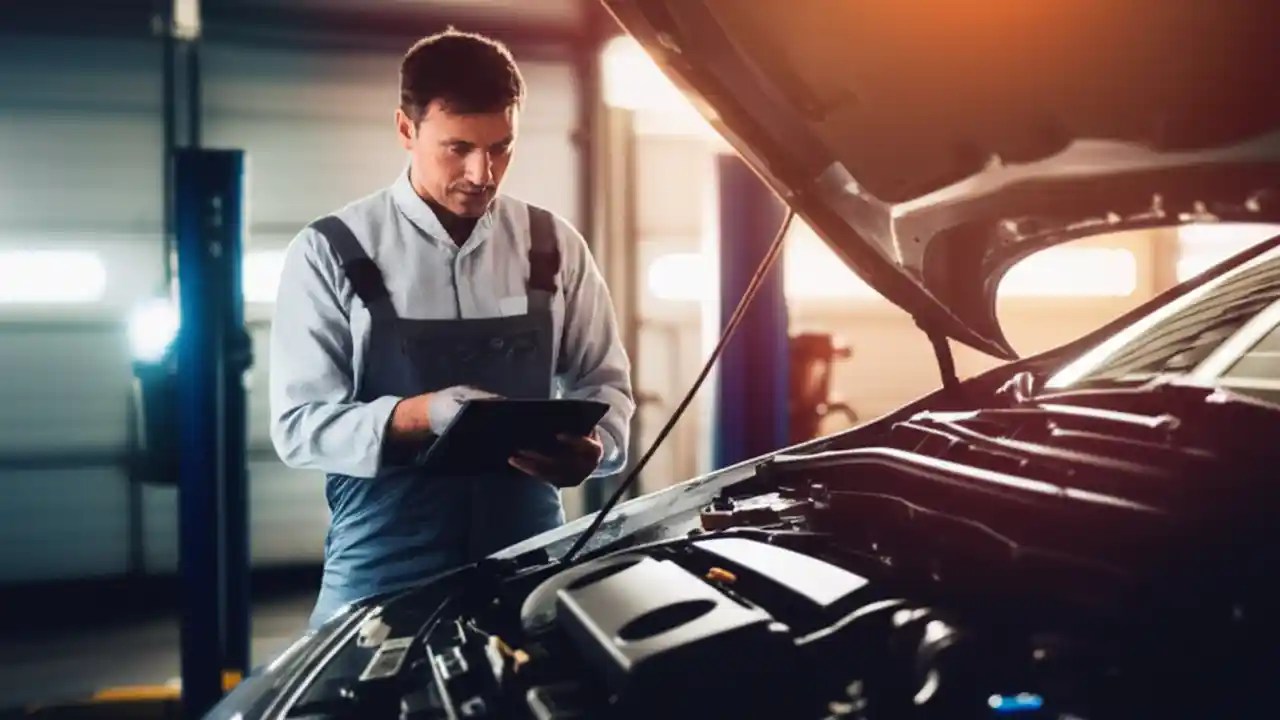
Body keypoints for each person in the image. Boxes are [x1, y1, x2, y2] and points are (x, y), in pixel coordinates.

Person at [268, 29, 634, 628]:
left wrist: (594, 453)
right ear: (406, 130)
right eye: (457, 147)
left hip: (528, 555)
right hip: (381, 561)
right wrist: (422, 415)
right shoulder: (332, 250)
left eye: (501, 148)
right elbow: (298, 427)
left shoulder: (552, 246)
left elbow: (604, 385)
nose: (482, 173)